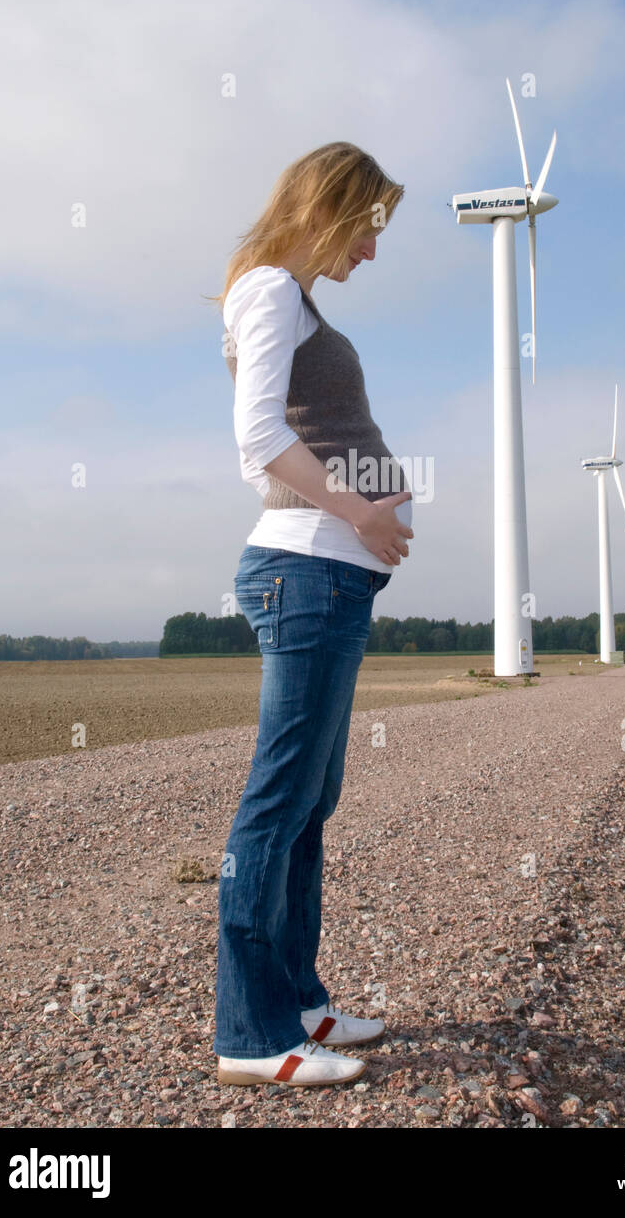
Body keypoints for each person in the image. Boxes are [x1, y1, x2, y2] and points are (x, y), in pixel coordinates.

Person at [209, 142, 414, 1087]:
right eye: (369, 227)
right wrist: (361, 510)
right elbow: (258, 441)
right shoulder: (269, 291)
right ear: (329, 206)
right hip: (305, 572)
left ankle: (298, 1001)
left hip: (327, 576)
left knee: (309, 804)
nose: (372, 252)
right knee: (276, 804)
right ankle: (251, 1038)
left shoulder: (291, 297)